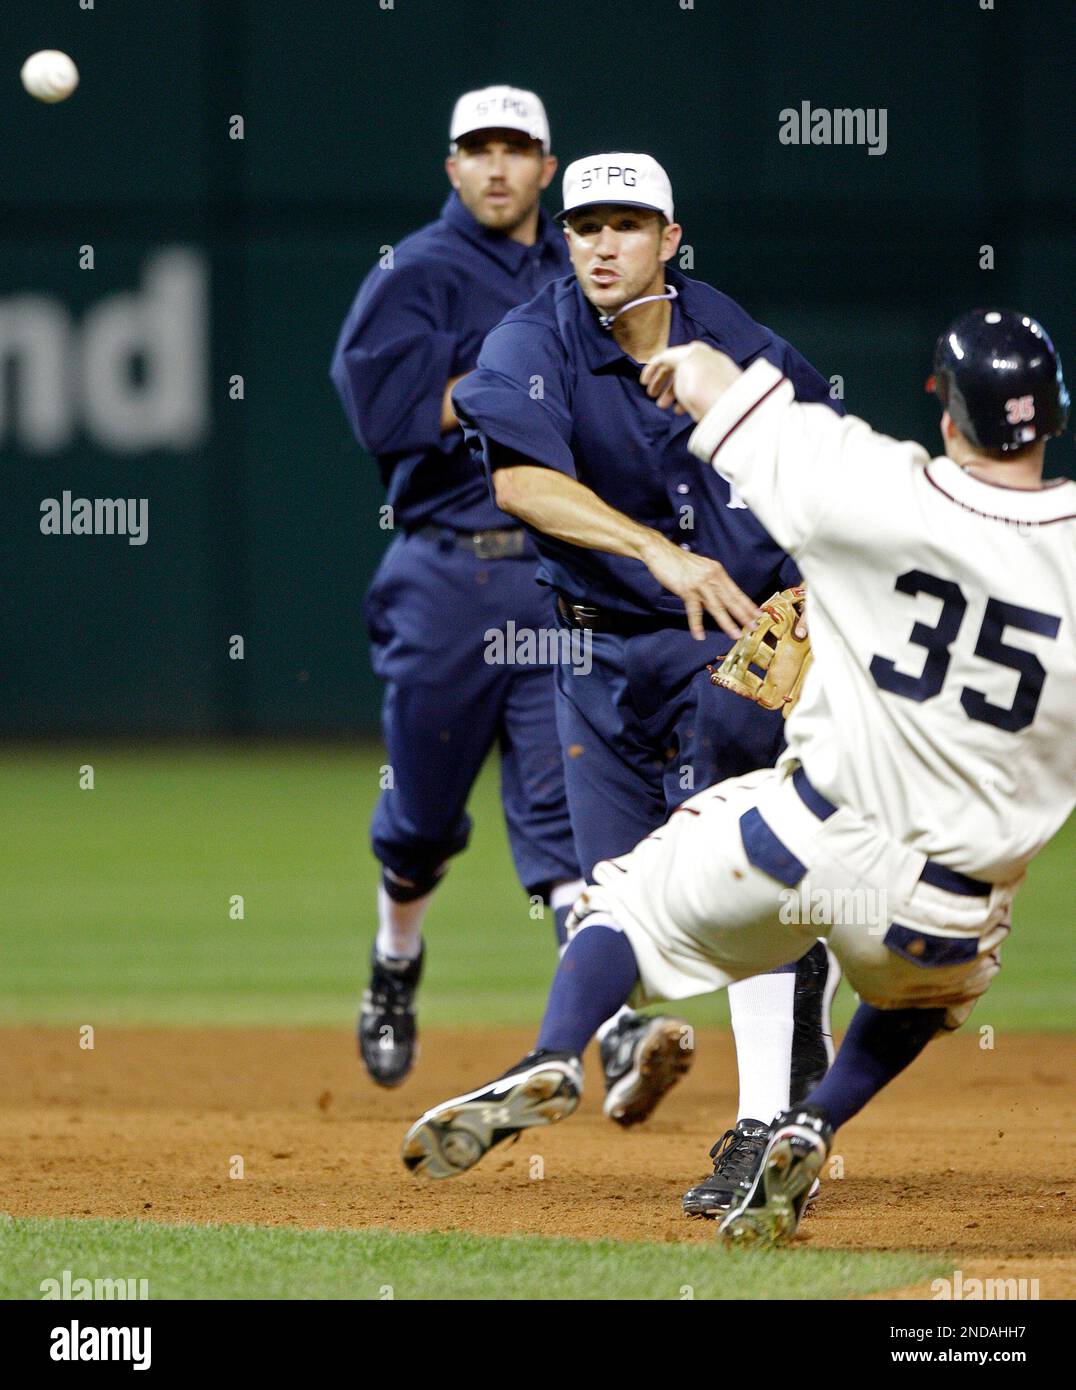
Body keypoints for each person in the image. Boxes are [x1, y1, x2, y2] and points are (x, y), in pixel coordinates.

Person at [401, 307, 1074, 1249]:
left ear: (947, 415)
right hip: (946, 903)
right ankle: (816, 1121)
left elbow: (724, 389)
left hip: (804, 835)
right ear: (1053, 416)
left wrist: (682, 359)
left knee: (621, 906)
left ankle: (554, 1053)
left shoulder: (875, 484)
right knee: (940, 990)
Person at [451, 153, 843, 1206]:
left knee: (747, 879)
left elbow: (824, 464)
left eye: (627, 225)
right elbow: (521, 480)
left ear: (670, 239)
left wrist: (818, 596)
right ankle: (562, 1054)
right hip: (592, 653)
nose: (602, 244)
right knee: (619, 890)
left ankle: (765, 1125)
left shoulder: (733, 338)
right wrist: (653, 550)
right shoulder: (531, 341)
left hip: (736, 648)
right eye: (583, 226)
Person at [329, 86, 583, 1088]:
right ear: (450, 167)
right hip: (448, 567)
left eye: (514, 149)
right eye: (475, 149)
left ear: (543, 169)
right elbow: (380, 404)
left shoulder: (582, 267)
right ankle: (395, 961)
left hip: (561, 575)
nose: (494, 166)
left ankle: (596, 1019)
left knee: (568, 814)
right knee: (421, 822)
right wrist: (508, 378)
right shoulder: (417, 269)